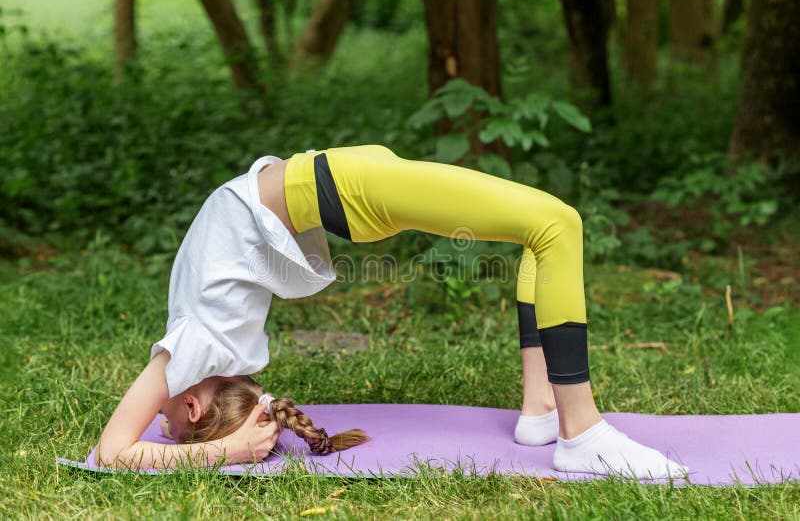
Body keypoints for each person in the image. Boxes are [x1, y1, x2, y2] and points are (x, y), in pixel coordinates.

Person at [98, 145, 687, 478]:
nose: (160, 419)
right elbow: (113, 453)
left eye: (166, 426)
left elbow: (117, 451)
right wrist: (227, 446)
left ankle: (545, 412)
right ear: (195, 403)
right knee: (556, 225)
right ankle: (578, 432)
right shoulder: (201, 344)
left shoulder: (204, 348)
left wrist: (216, 444)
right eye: (170, 426)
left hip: (336, 185)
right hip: (342, 187)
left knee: (546, 230)